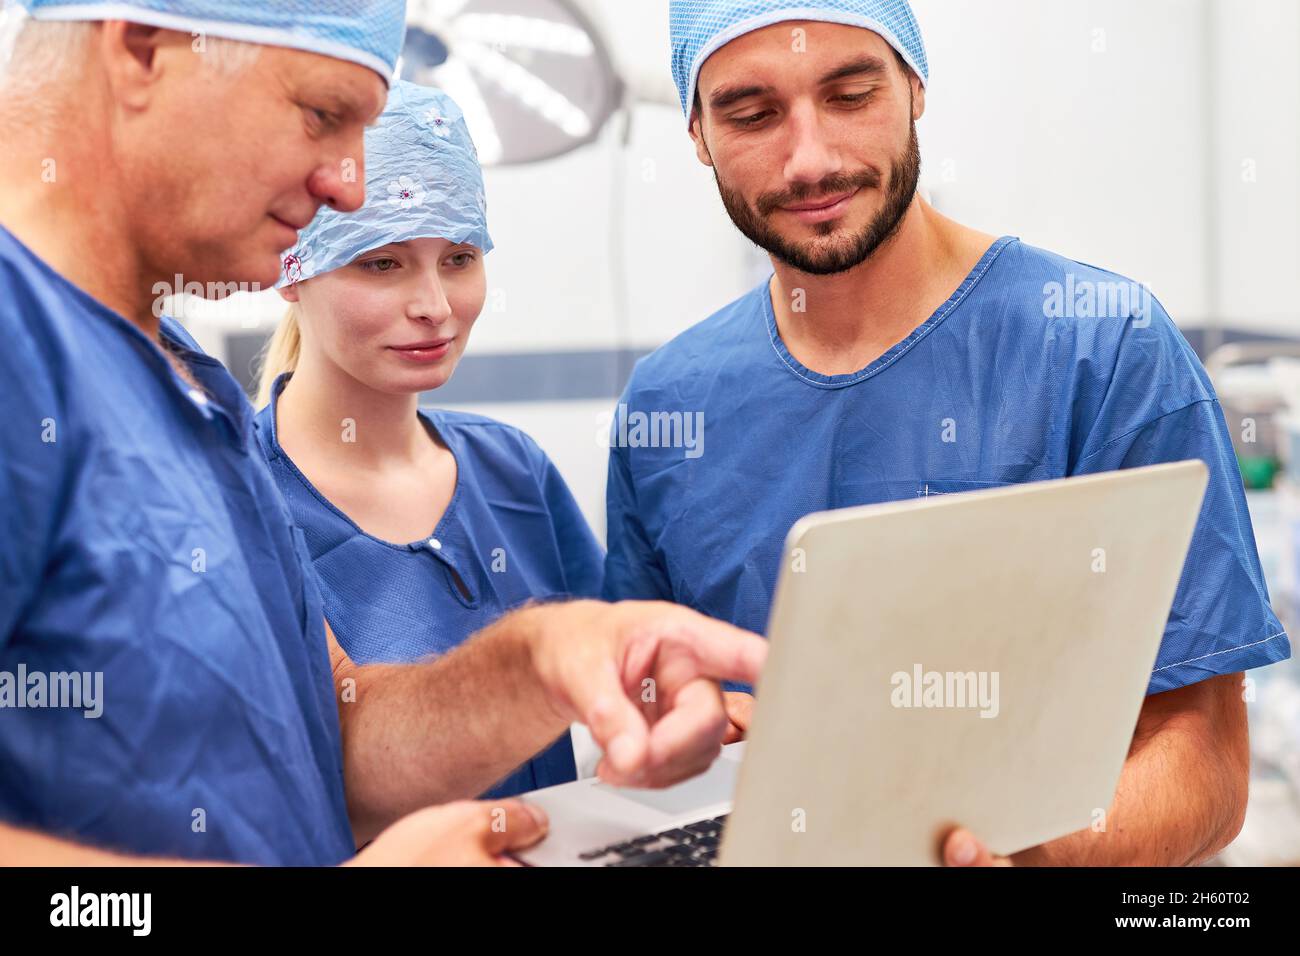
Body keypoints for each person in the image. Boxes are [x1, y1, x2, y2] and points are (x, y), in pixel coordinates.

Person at [0, 0, 765, 866]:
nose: (350, 186)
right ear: (144, 49)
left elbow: (338, 746)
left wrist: (543, 659)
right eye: (323, 114)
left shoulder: (183, 385)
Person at [603, 0, 1290, 865]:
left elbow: (1208, 771)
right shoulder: (671, 405)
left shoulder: (1102, 348)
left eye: (851, 95)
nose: (810, 158)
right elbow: (655, 719)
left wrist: (1008, 856)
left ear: (916, 85)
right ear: (698, 133)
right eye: (752, 114)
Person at [253, 80, 601, 797]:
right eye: (382, 263)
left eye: (459, 258)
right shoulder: (239, 496)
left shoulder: (514, 472)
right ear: (292, 268)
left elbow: (619, 670)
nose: (435, 308)